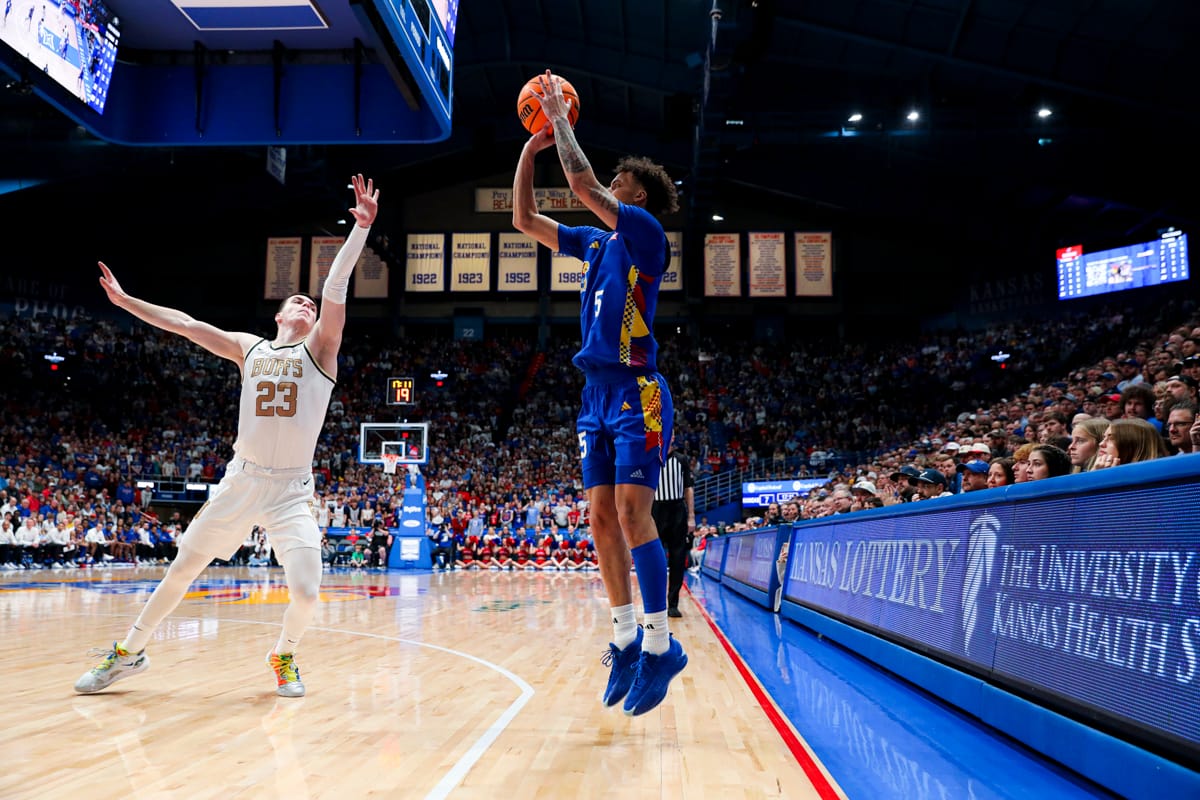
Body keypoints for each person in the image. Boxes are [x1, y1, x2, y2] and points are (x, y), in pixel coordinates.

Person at [74, 174, 379, 698]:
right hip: (242, 481)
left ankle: (284, 655)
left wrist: (360, 231)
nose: (308, 305)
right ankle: (129, 651)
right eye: (297, 302)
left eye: (311, 305)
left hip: (290, 491)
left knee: (307, 592)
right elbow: (187, 324)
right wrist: (127, 303)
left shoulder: (321, 352)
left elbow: (334, 289)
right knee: (182, 570)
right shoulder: (249, 348)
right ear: (279, 315)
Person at [511, 70, 686, 717]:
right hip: (594, 395)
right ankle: (624, 638)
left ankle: (662, 643)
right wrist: (528, 153)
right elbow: (525, 217)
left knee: (636, 515)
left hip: (637, 389)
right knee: (599, 519)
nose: (609, 185)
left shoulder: (642, 234)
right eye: (613, 182)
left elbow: (581, 183)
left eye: (620, 181)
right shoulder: (592, 243)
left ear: (636, 193)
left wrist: (559, 120)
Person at [651, 440, 695, 619]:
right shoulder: (649, 458)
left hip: (677, 510)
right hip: (655, 510)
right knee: (654, 559)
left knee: (678, 559)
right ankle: (655, 604)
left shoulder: (681, 459)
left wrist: (691, 516)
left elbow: (688, 489)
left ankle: (673, 604)